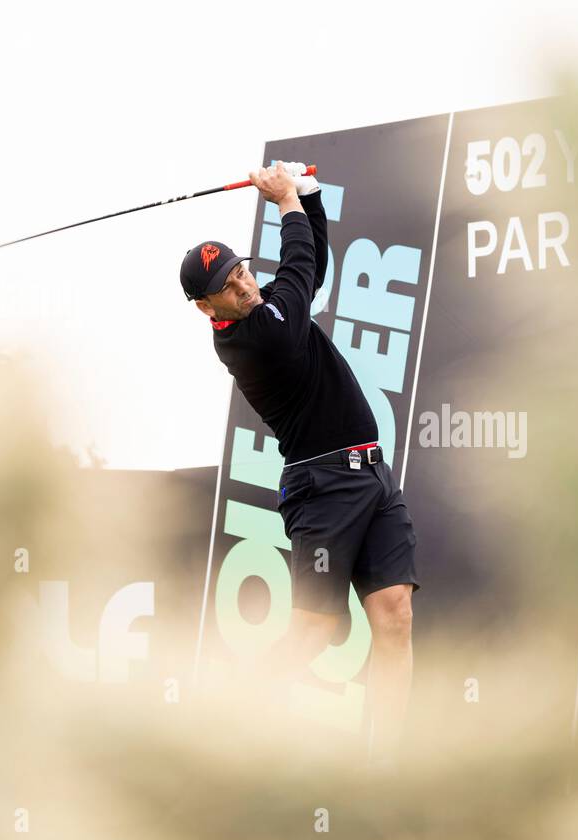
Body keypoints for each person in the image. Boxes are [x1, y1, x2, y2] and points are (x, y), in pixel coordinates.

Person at [179, 163, 419, 772]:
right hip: (323, 489)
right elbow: (300, 269)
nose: (244, 285)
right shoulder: (249, 337)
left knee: (394, 616)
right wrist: (286, 198)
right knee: (313, 630)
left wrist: (307, 197)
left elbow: (312, 270)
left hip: (371, 476)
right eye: (228, 286)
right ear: (206, 306)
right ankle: (223, 734)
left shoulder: (269, 309)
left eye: (240, 271)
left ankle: (388, 772)